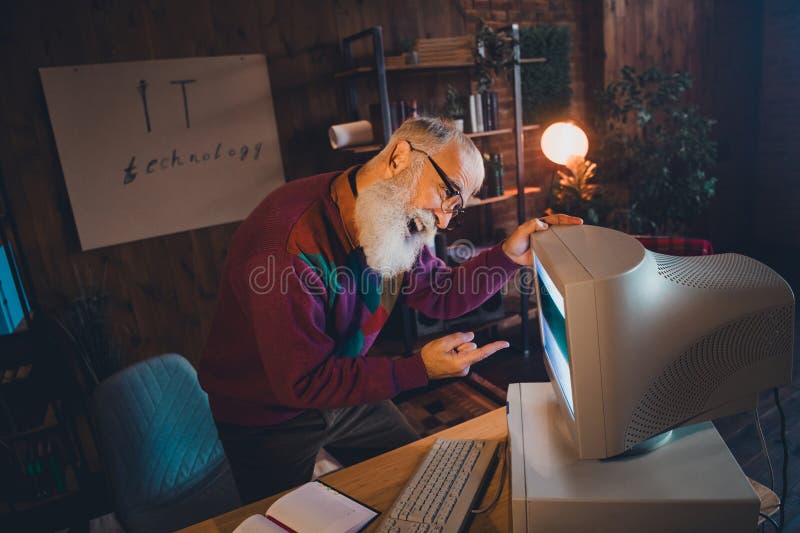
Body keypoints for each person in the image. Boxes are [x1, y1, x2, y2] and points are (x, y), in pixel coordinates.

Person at [198, 116, 582, 503]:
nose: (445, 221)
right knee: (276, 518)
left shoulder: (394, 209)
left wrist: (507, 257)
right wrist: (419, 368)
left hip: (342, 381)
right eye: (446, 191)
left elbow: (438, 292)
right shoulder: (287, 246)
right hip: (266, 416)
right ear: (400, 157)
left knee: (422, 480)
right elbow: (302, 381)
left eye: (456, 207)